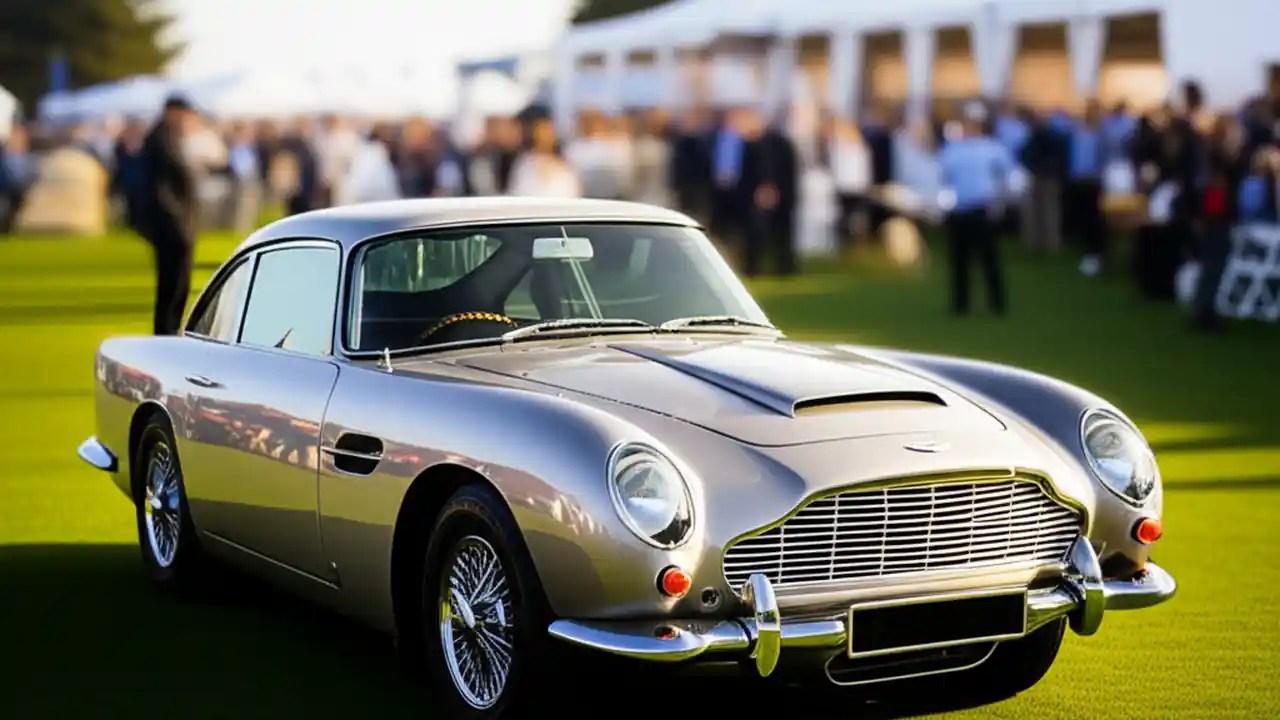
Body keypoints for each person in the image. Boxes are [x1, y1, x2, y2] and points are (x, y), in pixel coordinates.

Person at [938, 102, 1013, 316]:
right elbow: (943, 175)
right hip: (960, 209)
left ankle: (997, 303)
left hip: (983, 208)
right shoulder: (953, 149)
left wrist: (1000, 201)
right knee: (959, 260)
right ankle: (960, 303)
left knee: (989, 258)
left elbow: (1006, 175)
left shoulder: (993, 148)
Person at [140, 95, 200, 336]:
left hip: (177, 219)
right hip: (170, 221)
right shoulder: (161, 138)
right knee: (172, 278)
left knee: (177, 277)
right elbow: (162, 187)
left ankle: (170, 326)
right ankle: (166, 328)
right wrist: (175, 219)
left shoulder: (168, 136)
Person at [1067, 101, 1107, 275]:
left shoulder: (1101, 134)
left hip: (1093, 180)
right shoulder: (1077, 132)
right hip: (1077, 178)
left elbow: (1104, 157)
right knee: (1082, 214)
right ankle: (1085, 246)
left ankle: (1096, 251)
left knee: (1094, 217)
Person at [507, 118, 581, 197]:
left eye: (548, 134)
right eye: (540, 134)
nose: (544, 138)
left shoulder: (565, 166)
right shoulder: (524, 163)